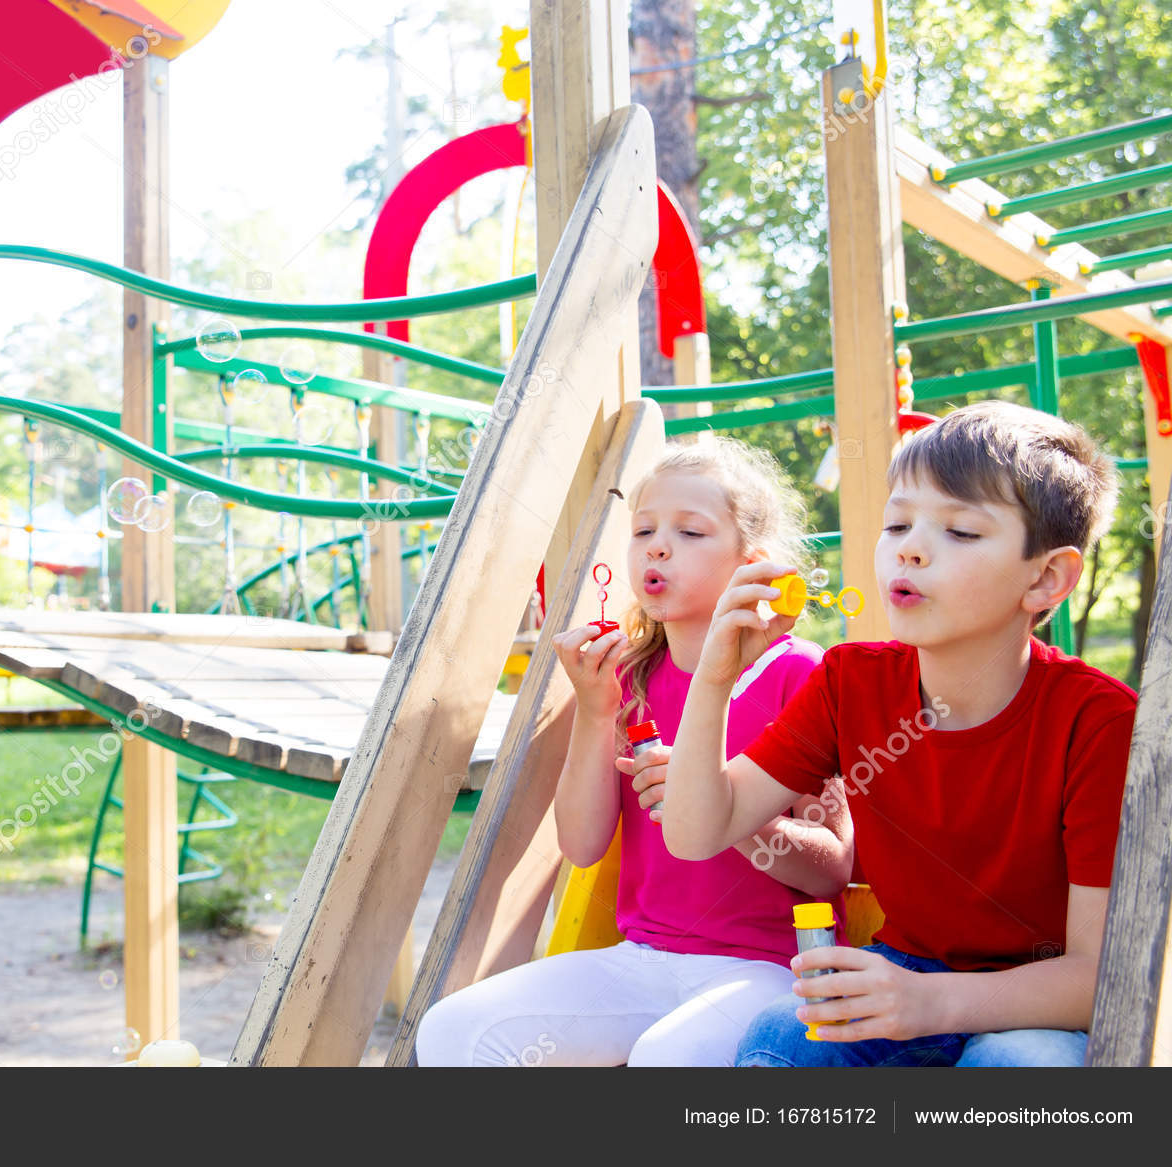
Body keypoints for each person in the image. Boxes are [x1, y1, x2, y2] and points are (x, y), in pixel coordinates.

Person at [661, 401, 1136, 1068]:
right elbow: (696, 829)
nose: (909, 547)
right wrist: (715, 675)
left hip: (1039, 999)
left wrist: (932, 1001)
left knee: (1016, 1067)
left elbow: (1101, 977)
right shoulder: (850, 682)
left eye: (962, 532)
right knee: (780, 1039)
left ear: (1047, 577)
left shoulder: (1101, 724)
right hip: (905, 968)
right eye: (897, 522)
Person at [414, 437, 853, 1066]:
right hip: (642, 961)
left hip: (767, 969)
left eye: (691, 532)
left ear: (750, 564)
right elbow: (582, 845)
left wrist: (714, 806)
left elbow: (830, 867)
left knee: (664, 1059)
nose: (658, 545)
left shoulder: (800, 675)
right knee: (454, 1030)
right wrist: (595, 712)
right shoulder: (629, 680)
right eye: (643, 528)